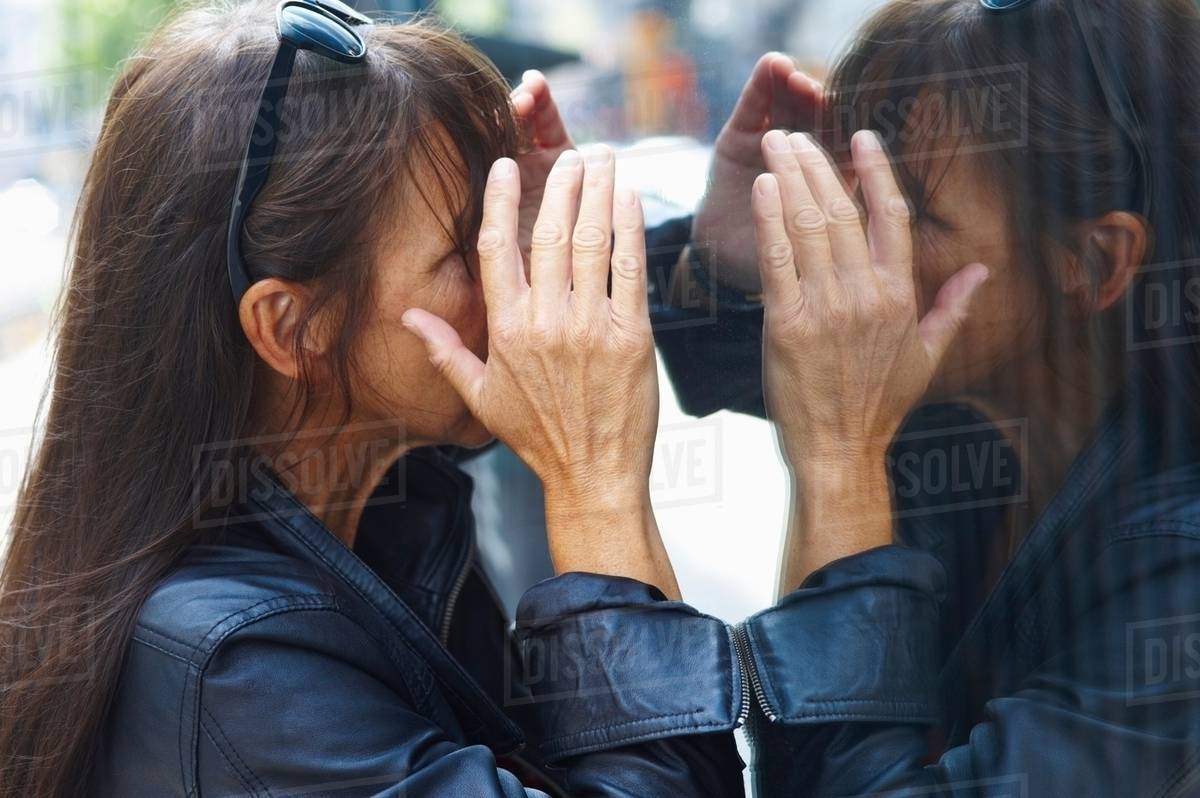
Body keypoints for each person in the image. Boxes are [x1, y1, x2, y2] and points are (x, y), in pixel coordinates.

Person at [0, 2, 757, 795]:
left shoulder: (392, 513)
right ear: (293, 328)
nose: (517, 284)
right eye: (472, 250)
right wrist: (597, 482)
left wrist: (709, 275)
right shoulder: (239, 672)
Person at [500, 0, 1200, 794]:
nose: (840, 241)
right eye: (848, 188)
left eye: (908, 212)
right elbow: (765, 353)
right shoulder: (965, 399)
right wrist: (723, 266)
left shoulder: (1178, 576)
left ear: (1098, 261)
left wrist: (840, 458)